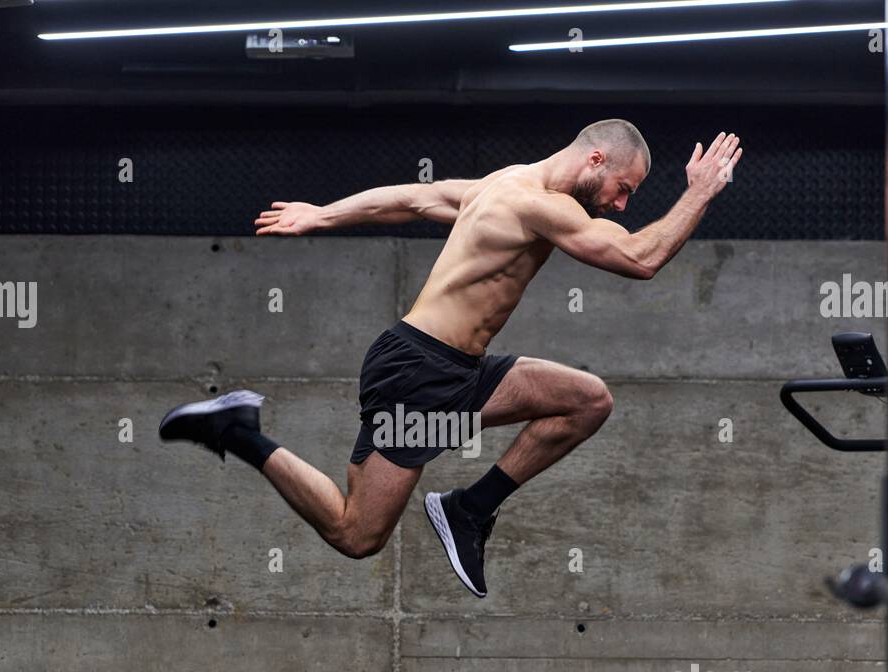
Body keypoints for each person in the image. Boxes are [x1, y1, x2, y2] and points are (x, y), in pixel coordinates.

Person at [160, 119, 742, 597]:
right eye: (624, 188)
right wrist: (700, 192)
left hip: (457, 371)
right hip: (419, 374)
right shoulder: (541, 205)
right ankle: (239, 432)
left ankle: (468, 509)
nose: (619, 205)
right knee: (356, 533)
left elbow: (415, 197)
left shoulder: (502, 183)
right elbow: (641, 259)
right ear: (595, 160)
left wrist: (324, 213)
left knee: (587, 400)